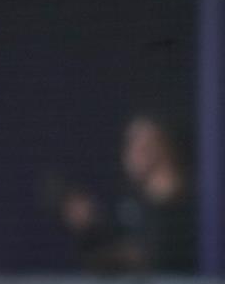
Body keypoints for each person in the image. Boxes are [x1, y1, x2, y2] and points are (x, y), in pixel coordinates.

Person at [59, 113, 199, 273]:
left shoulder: (185, 207)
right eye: (130, 143)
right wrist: (90, 229)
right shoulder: (135, 202)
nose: (132, 153)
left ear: (164, 147)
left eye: (143, 144)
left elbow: (148, 257)